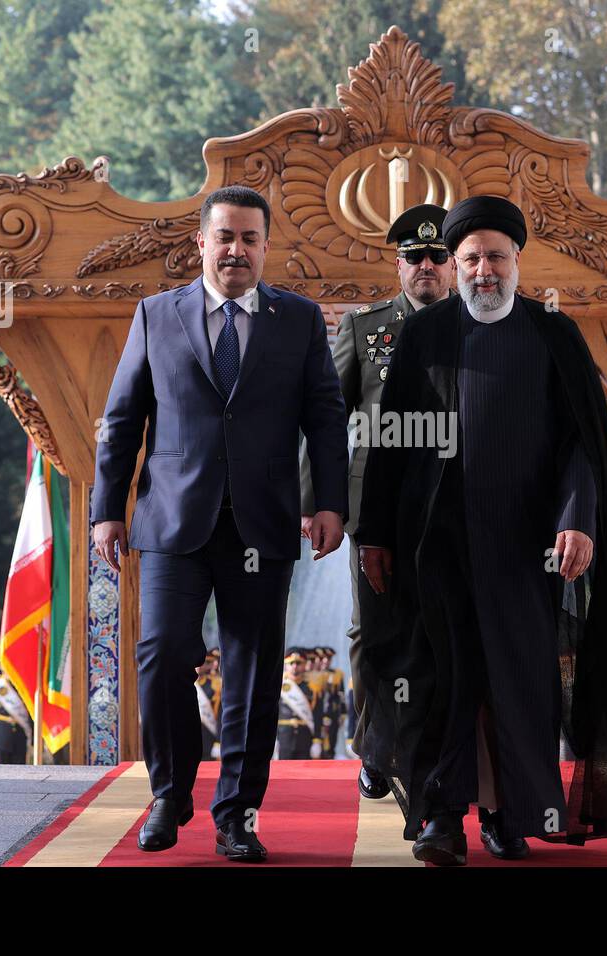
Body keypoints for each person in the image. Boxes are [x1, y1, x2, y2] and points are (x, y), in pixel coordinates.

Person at [356, 195, 607, 865]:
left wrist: (578, 521)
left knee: (518, 679)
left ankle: (508, 812)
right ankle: (441, 819)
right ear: (454, 267)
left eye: (496, 256)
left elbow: (583, 445)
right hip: (438, 546)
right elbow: (389, 444)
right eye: (472, 258)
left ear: (518, 261)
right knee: (442, 680)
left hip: (527, 548)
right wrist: (374, 532)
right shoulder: (426, 335)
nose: (485, 269)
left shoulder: (553, 333)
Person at [90, 185, 349, 862]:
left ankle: (237, 815)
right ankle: (169, 795)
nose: (237, 249)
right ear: (200, 243)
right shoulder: (155, 315)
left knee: (254, 671)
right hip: (173, 522)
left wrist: (330, 503)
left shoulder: (298, 320)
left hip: (265, 526)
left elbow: (325, 416)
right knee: (163, 655)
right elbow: (121, 422)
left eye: (250, 239)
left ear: (266, 247)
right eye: (225, 236)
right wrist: (106, 512)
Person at [299, 203, 455, 796]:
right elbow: (325, 418)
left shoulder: (476, 324)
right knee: (374, 632)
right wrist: (319, 503)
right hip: (378, 512)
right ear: (398, 265)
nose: (427, 267)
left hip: (454, 506)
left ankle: (439, 748)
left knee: (446, 630)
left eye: (438, 257)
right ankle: (374, 746)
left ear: (453, 265)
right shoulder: (366, 329)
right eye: (415, 257)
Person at [0, 673, 30, 764]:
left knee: (20, 768)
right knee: (1, 767)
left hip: (21, 731)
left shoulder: (23, 681)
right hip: (1, 731)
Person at [277, 650, 316, 759]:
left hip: (304, 736)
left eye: (298, 663)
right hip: (284, 735)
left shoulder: (311, 687)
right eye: (291, 663)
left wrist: (317, 740)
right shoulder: (279, 685)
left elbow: (317, 714)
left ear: (304, 665)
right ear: (286, 665)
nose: (294, 666)